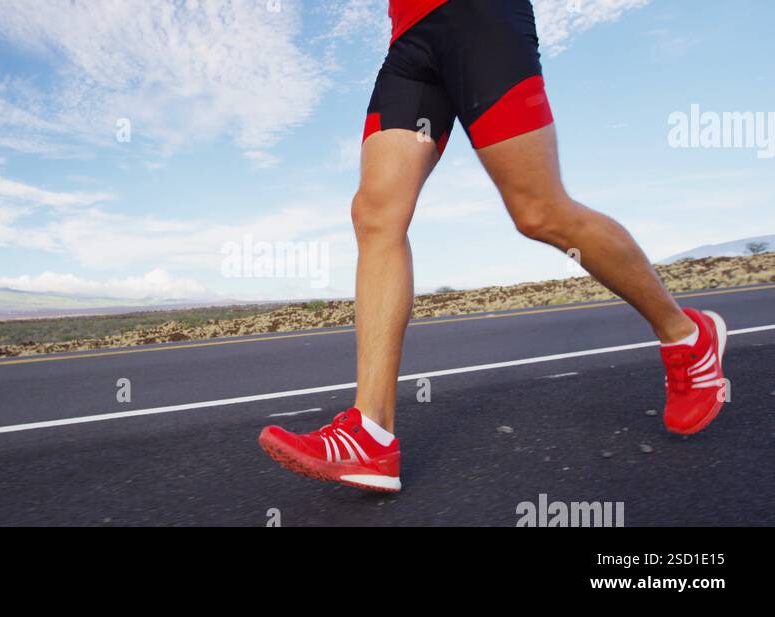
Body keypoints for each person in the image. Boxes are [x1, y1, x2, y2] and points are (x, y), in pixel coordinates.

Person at [258, 0, 728, 493]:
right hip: (409, 41)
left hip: (479, 17)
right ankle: (371, 434)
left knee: (539, 212)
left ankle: (686, 336)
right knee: (374, 214)